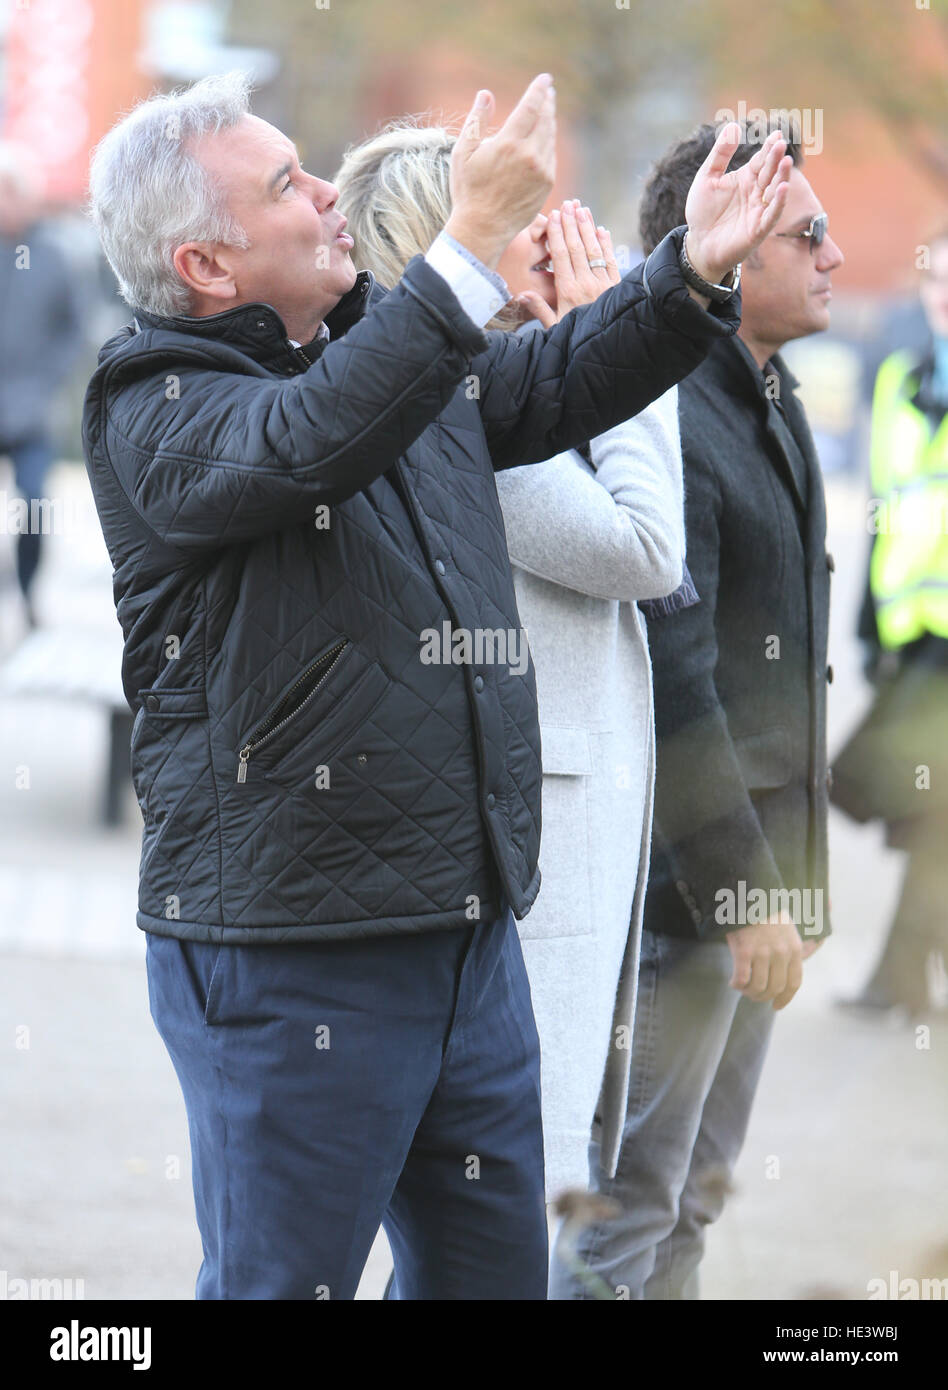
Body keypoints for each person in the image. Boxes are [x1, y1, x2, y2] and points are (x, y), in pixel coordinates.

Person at [82, 68, 791, 1300]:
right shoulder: (160, 402)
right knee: (280, 1282)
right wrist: (463, 248)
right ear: (205, 265)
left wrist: (687, 278)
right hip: (292, 951)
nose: (326, 190)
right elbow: (308, 443)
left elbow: (562, 377)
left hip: (465, 941)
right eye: (288, 184)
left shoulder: (381, 362)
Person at [334, 124, 692, 1221]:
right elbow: (646, 550)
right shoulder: (455, 409)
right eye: (527, 217)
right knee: (523, 1192)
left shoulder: (498, 382)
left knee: (520, 1199)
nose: (557, 238)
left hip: (554, 826)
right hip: (536, 844)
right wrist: (630, 352)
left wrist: (597, 344)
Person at [552, 115, 844, 1300]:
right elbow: (676, 672)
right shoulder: (668, 403)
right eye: (806, 232)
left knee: (698, 1193)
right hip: (689, 899)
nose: (834, 254)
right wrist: (740, 893)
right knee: (631, 1208)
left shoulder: (770, 391)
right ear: (721, 243)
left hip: (762, 883)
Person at [832, 226, 948, 1017]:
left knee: (923, 803)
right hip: (915, 637)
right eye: (935, 279)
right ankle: (900, 978)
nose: (943, 294)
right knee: (908, 800)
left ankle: (899, 978)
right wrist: (871, 626)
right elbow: (884, 509)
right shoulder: (902, 379)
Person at [0, 144, 84, 631]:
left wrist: (48, 378)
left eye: (14, 193)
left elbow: (73, 327)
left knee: (33, 503)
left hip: (31, 409)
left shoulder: (53, 257)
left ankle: (29, 592)